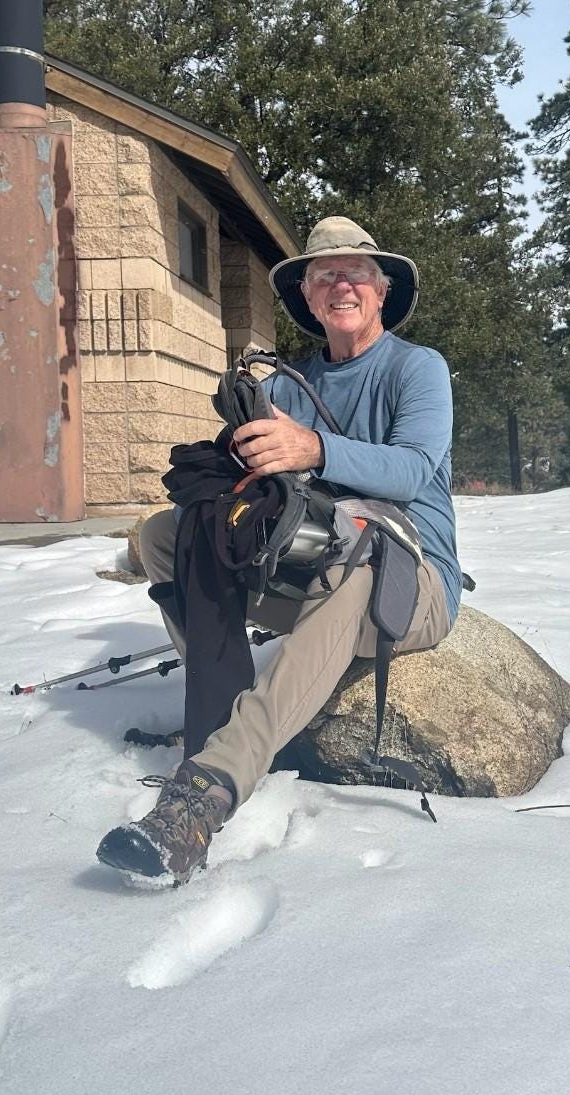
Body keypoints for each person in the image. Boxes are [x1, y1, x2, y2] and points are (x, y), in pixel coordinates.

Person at [96, 215, 462, 882]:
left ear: (381, 292)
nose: (342, 284)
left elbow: (412, 469)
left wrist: (314, 448)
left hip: (413, 579)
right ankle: (237, 708)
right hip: (312, 564)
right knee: (167, 537)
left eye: (356, 273)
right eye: (326, 276)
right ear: (310, 298)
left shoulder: (418, 369)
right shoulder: (288, 386)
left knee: (361, 560)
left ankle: (206, 793)